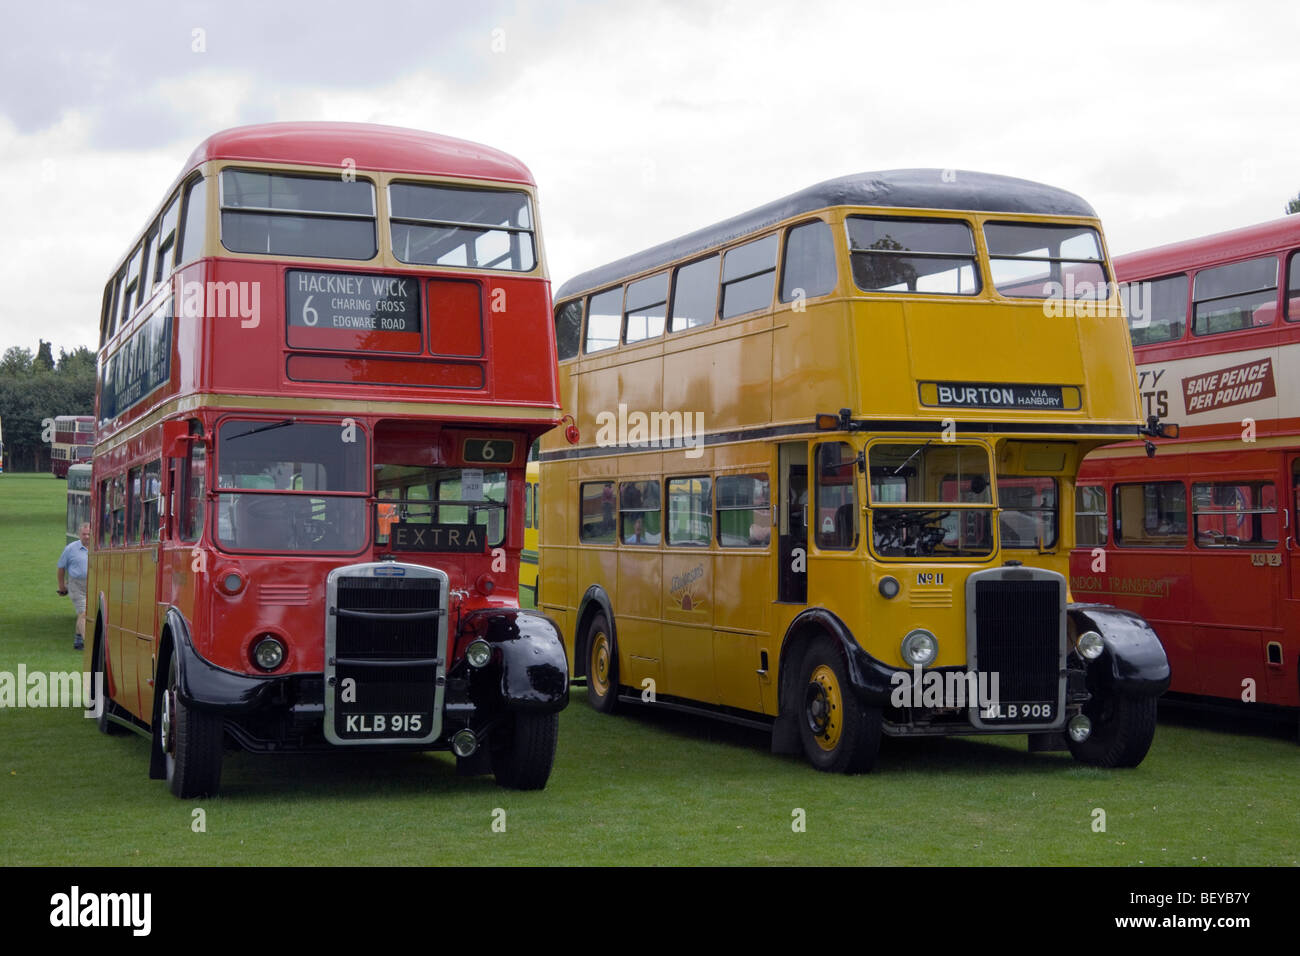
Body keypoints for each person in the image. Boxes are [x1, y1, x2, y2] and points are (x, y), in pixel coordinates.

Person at [57, 522, 91, 651]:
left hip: (93, 583)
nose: (87, 537)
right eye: (84, 534)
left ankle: (77, 641)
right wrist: (61, 586)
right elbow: (61, 568)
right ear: (79, 535)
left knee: (83, 613)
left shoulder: (98, 547)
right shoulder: (70, 549)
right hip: (76, 584)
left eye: (89, 534)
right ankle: (89, 642)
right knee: (84, 613)